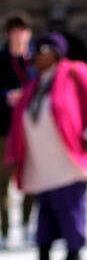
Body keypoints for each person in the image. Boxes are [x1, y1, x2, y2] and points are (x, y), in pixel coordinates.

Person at [4, 33, 87, 260]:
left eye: (41, 51)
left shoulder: (74, 71)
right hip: (41, 160)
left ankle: (74, 250)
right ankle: (43, 251)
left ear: (54, 53)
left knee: (70, 204)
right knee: (46, 208)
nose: (37, 57)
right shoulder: (35, 83)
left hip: (67, 155)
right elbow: (21, 115)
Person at [0, 12, 35, 247]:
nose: (18, 35)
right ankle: (4, 230)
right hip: (4, 128)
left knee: (32, 180)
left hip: (31, 129)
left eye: (22, 31)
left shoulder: (35, 61)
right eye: (14, 31)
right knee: (2, 182)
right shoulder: (0, 60)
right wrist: (6, 96)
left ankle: (26, 225)